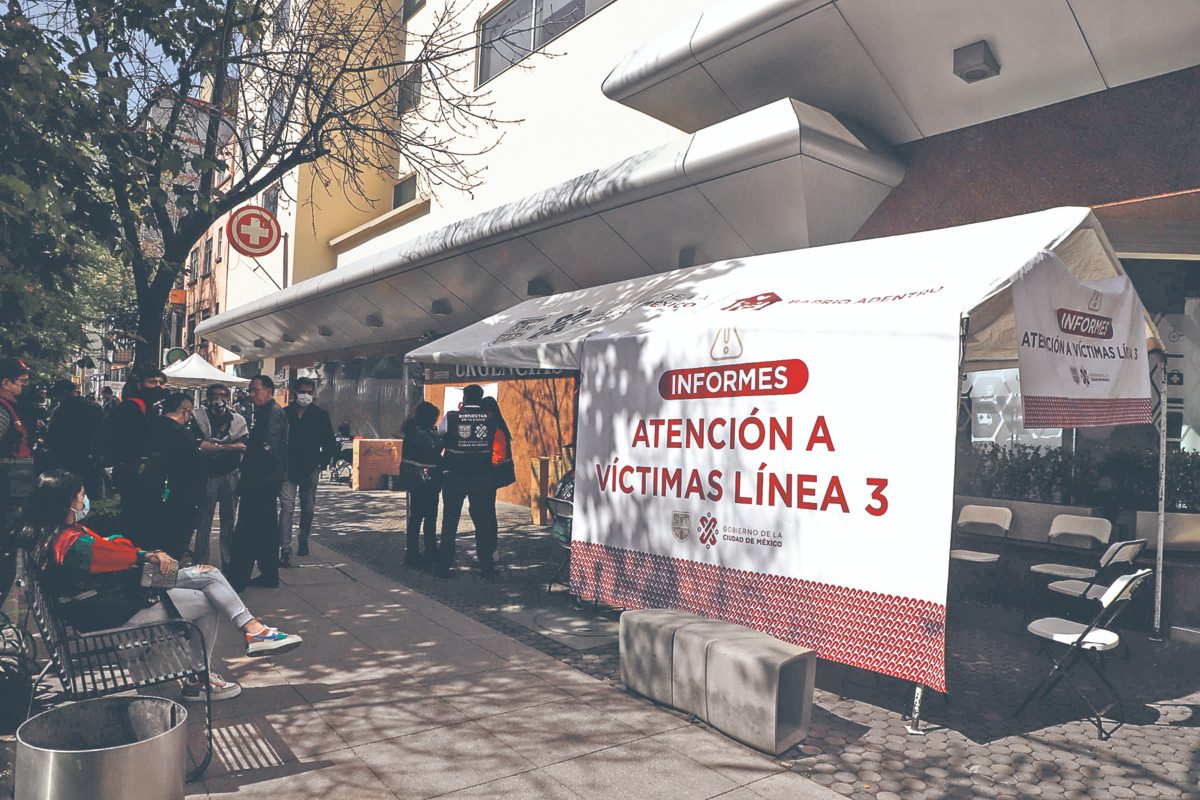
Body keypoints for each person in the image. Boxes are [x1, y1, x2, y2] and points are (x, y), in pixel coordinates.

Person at [20, 470, 302, 701]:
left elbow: (112, 550)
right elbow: (117, 554)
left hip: (107, 596)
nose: (85, 502)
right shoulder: (71, 544)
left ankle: (253, 632)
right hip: (108, 609)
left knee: (209, 574)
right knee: (208, 602)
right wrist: (147, 554)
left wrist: (138, 554)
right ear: (66, 502)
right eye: (82, 497)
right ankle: (199, 679)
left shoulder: (52, 532)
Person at [95, 368, 170, 542]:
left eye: (161, 383)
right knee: (135, 523)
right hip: (133, 476)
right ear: (139, 384)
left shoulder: (147, 408)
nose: (158, 387)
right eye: (152, 382)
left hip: (142, 476)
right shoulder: (131, 408)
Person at [228, 375, 288, 591]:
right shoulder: (267, 413)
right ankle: (269, 573)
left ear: (269, 392)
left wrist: (254, 478)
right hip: (264, 482)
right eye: (250, 390)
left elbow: (268, 450)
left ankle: (237, 578)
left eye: (256, 390)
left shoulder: (272, 414)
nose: (251, 395)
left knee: (247, 531)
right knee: (265, 531)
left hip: (260, 483)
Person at [436, 385, 499, 579]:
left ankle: (443, 567)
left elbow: (439, 436)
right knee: (483, 523)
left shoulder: (452, 417)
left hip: (454, 476)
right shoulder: (490, 418)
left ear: (464, 397)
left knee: (450, 522)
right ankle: (487, 568)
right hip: (481, 476)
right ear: (481, 398)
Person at [134, 393, 206, 558]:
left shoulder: (147, 427)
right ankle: (164, 581)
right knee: (171, 552)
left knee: (148, 549)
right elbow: (193, 471)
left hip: (143, 500)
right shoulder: (182, 435)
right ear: (186, 411)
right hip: (177, 502)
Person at [278, 377, 337, 565]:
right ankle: (285, 547)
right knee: (287, 507)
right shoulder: (284, 413)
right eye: (303, 392)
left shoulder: (320, 415)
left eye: (310, 392)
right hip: (288, 468)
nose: (306, 395)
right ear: (295, 392)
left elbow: (329, 441)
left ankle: (303, 537)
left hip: (310, 467)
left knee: (308, 507)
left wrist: (322, 462)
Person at [192, 384, 248, 570]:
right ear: (207, 398)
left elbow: (243, 446)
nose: (219, 399)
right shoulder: (198, 418)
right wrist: (229, 447)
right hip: (206, 476)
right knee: (203, 522)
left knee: (229, 521)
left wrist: (213, 447)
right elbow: (199, 445)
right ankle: (199, 563)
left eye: (223, 395)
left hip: (230, 475)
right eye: (214, 395)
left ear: (228, 397)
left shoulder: (238, 420)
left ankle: (229, 562)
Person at [0, 356, 33, 605]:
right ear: (5, 383)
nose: (25, 387)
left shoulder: (8, 409)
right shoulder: (2, 411)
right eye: (21, 382)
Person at [44, 379, 104, 497]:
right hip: (91, 458)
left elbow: (50, 437)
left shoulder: (60, 411)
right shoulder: (95, 407)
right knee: (92, 493)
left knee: (70, 494)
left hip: (67, 460)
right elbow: (103, 432)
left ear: (63, 394)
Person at [399, 402, 442, 567]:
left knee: (416, 517)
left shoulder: (412, 430)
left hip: (415, 480)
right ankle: (425, 551)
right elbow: (433, 447)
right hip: (426, 480)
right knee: (428, 517)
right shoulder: (420, 434)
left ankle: (414, 551)